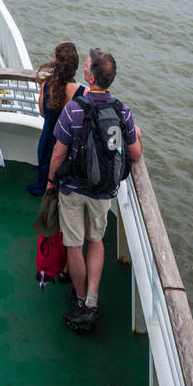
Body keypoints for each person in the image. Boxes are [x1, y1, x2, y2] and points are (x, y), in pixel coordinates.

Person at [47, 48, 142, 335]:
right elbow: (135, 154)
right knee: (96, 241)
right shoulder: (122, 111)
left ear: (90, 76)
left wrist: (52, 183)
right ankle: (92, 299)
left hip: (73, 189)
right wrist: (135, 135)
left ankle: (79, 300)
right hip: (103, 191)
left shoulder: (73, 109)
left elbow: (58, 154)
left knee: (74, 245)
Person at [27, 41, 84, 197]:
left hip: (45, 144)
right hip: (66, 148)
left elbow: (43, 113)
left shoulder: (46, 85)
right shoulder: (82, 92)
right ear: (75, 67)